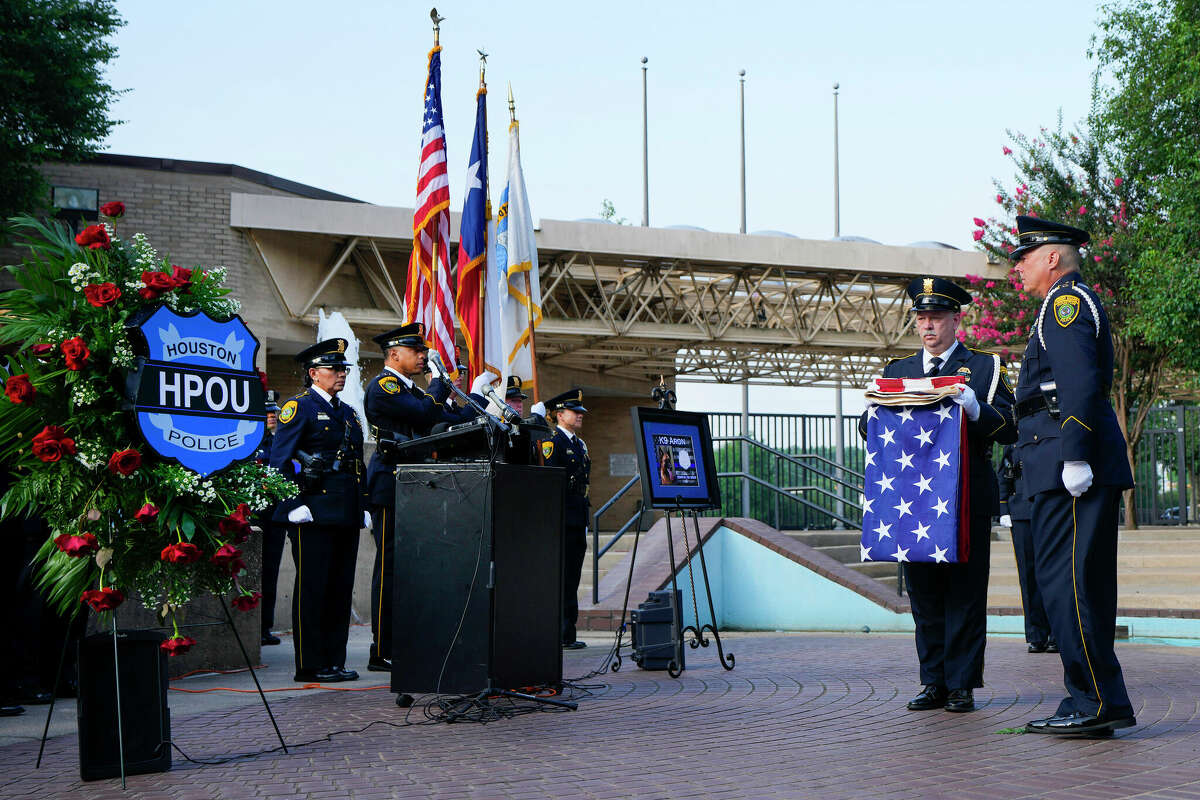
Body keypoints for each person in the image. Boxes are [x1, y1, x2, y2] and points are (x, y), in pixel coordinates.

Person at [859, 276, 1017, 713]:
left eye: (936, 317)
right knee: (925, 597)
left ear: (955, 319)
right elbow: (868, 430)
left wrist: (974, 407)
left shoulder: (985, 368)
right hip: (913, 504)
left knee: (964, 594)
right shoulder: (897, 372)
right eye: (921, 317)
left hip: (965, 499)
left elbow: (1010, 426)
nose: (928, 326)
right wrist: (874, 406)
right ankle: (933, 682)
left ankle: (962, 684)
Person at [1010, 215, 1136, 736]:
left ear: (1053, 258)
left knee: (1072, 585)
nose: (1017, 266)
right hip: (1059, 461)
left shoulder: (1065, 304)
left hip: (1069, 464)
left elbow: (1077, 380)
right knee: (1070, 583)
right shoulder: (1060, 304)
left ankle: (1096, 701)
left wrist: (1076, 455)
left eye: (1024, 256)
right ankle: (1093, 696)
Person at [362, 323, 493, 672]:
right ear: (394, 354)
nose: (423, 356)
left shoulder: (414, 391)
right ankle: (383, 648)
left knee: (416, 569)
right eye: (416, 351)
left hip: (419, 485)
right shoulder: (385, 386)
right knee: (390, 570)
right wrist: (438, 380)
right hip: (391, 484)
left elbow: (451, 418)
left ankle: (410, 642)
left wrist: (477, 395)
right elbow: (425, 414)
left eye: (423, 351)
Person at [270, 338, 369, 684]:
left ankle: (334, 660)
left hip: (343, 514)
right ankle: (310, 664)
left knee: (340, 589)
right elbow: (278, 462)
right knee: (314, 588)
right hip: (311, 514)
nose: (341, 374)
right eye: (334, 369)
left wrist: (363, 505)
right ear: (314, 373)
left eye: (343, 369)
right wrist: (293, 505)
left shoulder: (347, 413)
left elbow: (357, 464)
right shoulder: (300, 408)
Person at [543, 389, 591, 650]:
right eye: (576, 412)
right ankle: (560, 632)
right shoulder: (554, 442)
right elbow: (552, 481)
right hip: (562, 519)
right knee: (561, 577)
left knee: (572, 577)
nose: (581, 416)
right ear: (560, 415)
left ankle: (568, 632)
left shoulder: (579, 444)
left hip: (577, 518)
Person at [998, 444, 1055, 654]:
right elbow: (1005, 473)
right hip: (1021, 511)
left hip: (1048, 510)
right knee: (1028, 576)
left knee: (1052, 573)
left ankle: (1057, 634)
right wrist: (1003, 507)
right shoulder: (1014, 440)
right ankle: (1036, 635)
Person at [255, 389, 286, 646]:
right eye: (266, 413)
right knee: (255, 572)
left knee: (271, 571)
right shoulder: (251, 442)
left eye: (273, 412)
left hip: (275, 514)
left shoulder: (280, 442)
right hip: (255, 515)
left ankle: (265, 626)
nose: (271, 417)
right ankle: (254, 626)